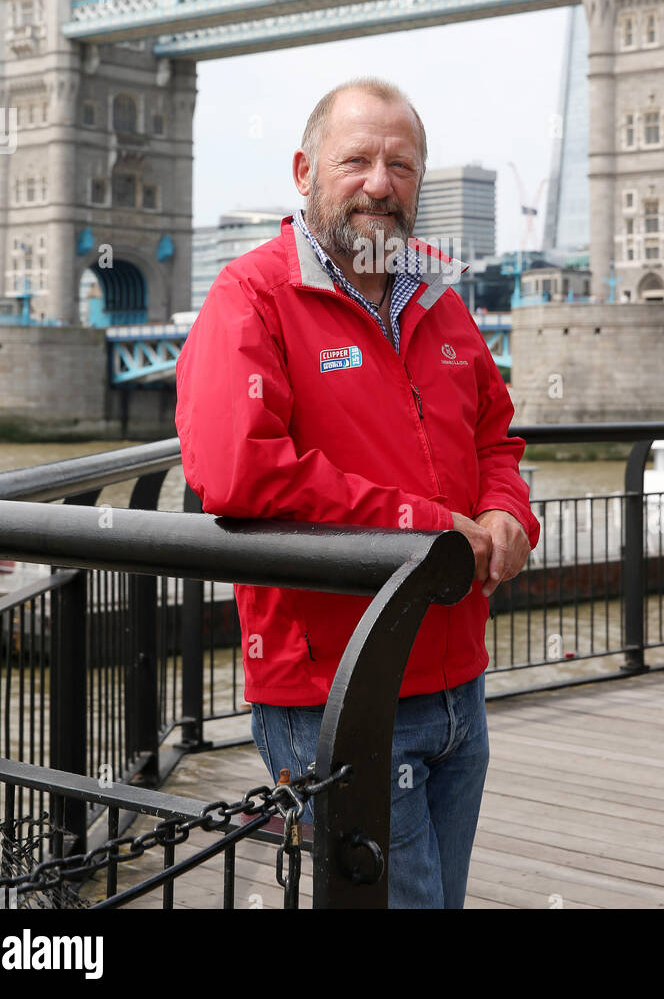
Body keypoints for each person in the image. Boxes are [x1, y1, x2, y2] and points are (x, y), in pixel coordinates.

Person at [175, 77, 541, 908]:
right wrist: (427, 527)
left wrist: (503, 511)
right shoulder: (250, 298)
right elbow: (238, 472)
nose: (380, 182)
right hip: (334, 689)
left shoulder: (441, 299)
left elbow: (495, 437)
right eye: (357, 160)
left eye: (401, 165)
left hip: (459, 683)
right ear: (305, 170)